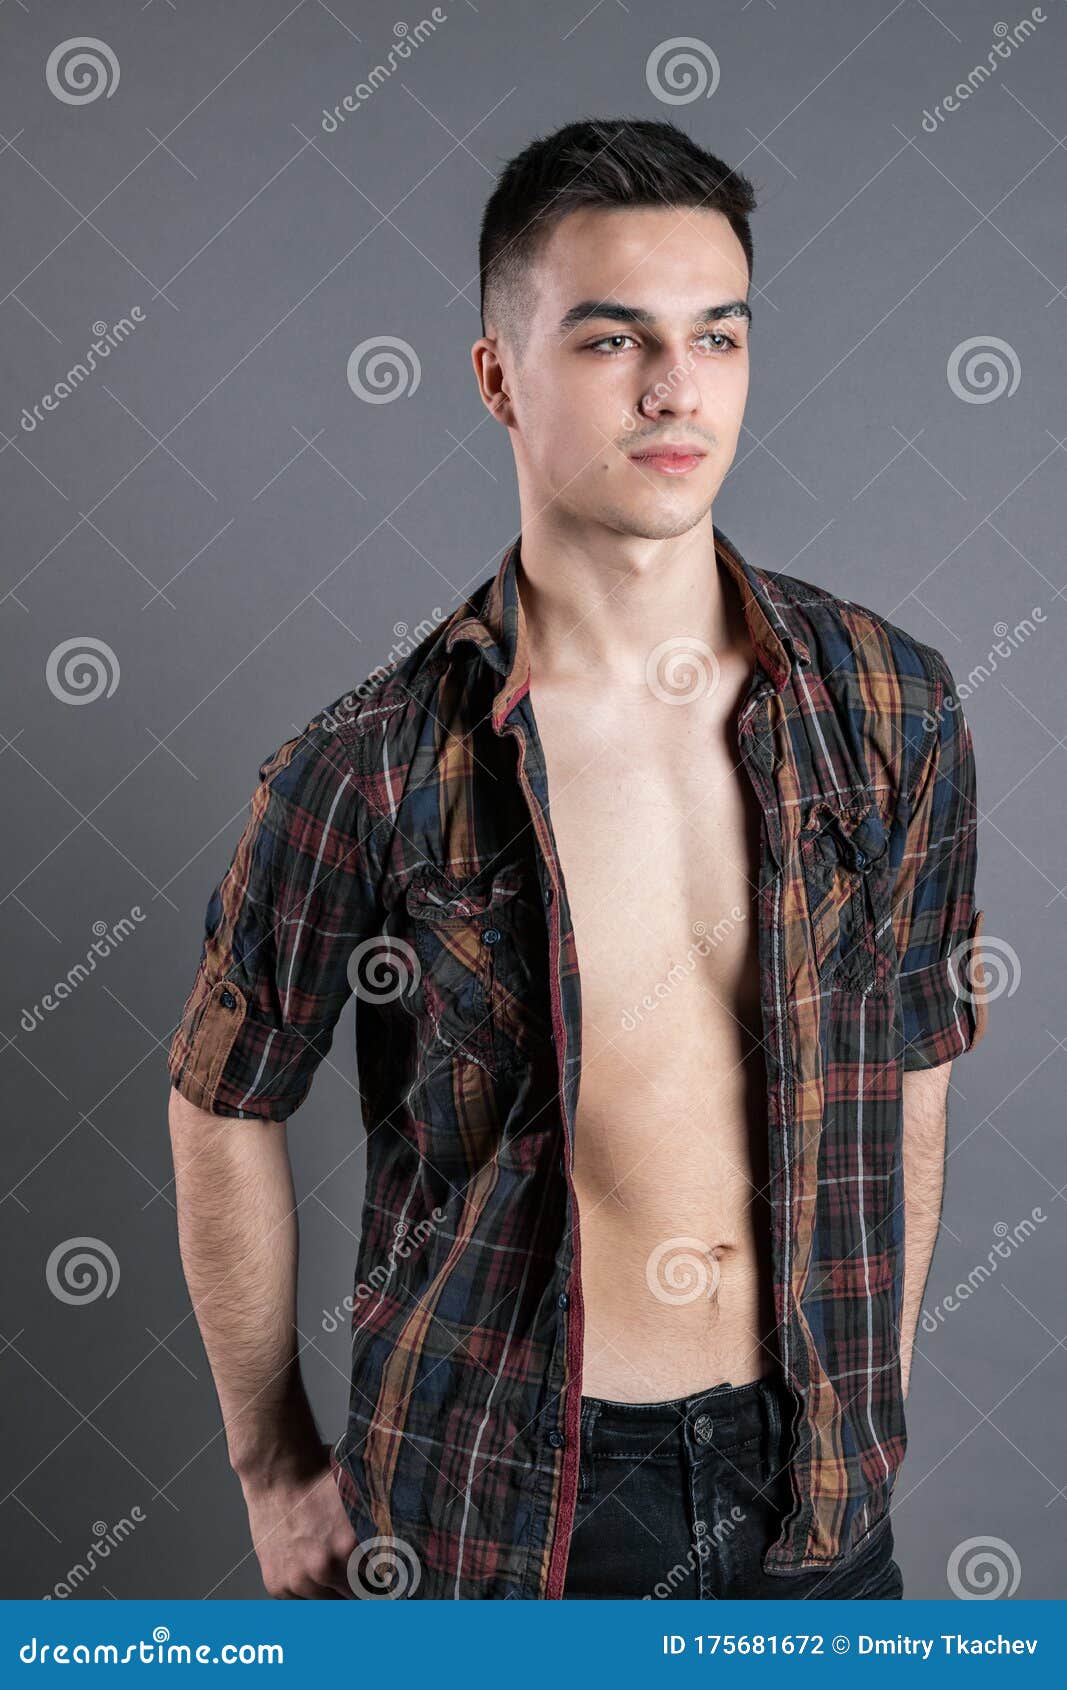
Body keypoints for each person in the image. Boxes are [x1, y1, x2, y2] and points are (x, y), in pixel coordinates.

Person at [167, 117, 987, 1601]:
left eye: (718, 335)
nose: (679, 388)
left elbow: (918, 1064)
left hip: (813, 1498)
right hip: (497, 1512)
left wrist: (867, 1398)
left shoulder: (892, 705)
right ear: (498, 376)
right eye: (615, 341)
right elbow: (223, 1098)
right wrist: (275, 1464)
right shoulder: (367, 764)